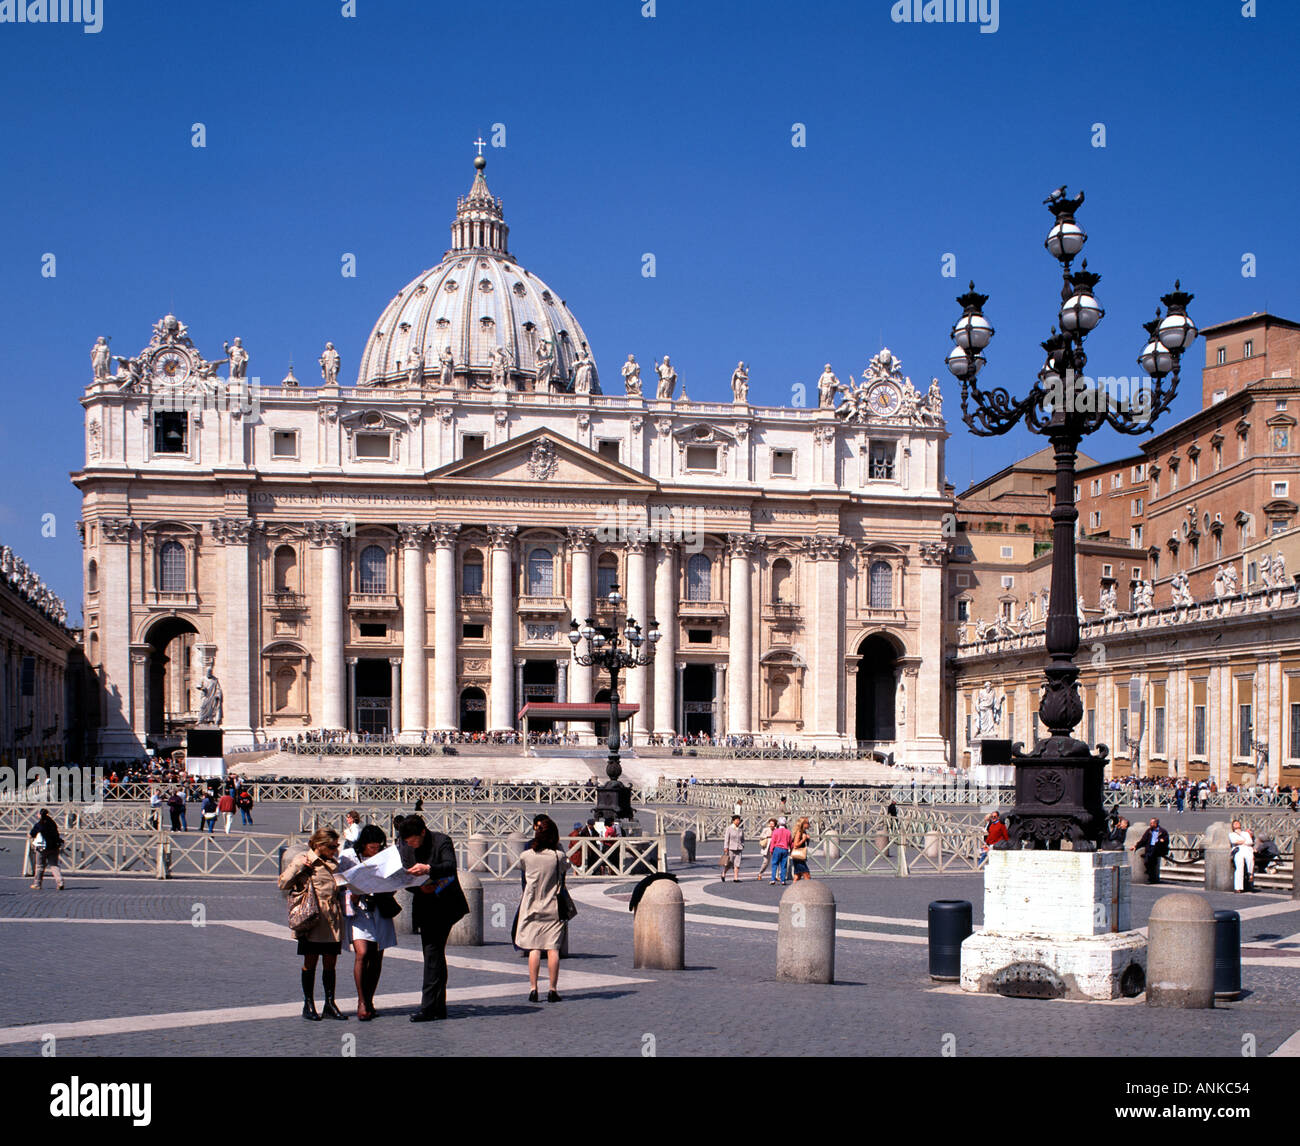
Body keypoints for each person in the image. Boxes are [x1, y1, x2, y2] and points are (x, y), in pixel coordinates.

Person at [398, 814, 469, 1022]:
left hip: (445, 905)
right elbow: (406, 876)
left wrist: (429, 870)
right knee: (434, 954)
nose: (410, 845)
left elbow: (449, 867)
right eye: (407, 842)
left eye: (412, 840)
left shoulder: (442, 840)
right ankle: (438, 1006)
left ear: (422, 832)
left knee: (432, 952)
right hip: (423, 903)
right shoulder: (405, 846)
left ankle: (429, 1008)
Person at [278, 827, 347, 1021]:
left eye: (337, 845)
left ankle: (330, 1003)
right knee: (310, 962)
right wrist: (300, 870)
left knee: (330, 963)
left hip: (332, 919)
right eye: (332, 846)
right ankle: (308, 1004)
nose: (335, 849)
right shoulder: (303, 860)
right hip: (312, 919)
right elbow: (282, 883)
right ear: (319, 845)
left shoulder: (333, 862)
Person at [337, 825, 398, 1020]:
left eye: (379, 847)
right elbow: (337, 883)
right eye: (373, 848)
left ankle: (370, 999)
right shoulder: (347, 857)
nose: (376, 851)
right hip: (358, 911)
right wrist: (351, 896)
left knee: (377, 956)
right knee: (362, 953)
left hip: (379, 908)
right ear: (363, 845)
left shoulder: (384, 857)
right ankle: (361, 1001)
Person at [516, 815, 570, 1002]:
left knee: (534, 949)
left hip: (531, 906)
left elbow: (522, 868)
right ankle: (553, 989)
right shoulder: (558, 856)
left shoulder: (526, 856)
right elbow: (566, 868)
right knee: (552, 949)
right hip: (552, 907)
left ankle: (533, 988)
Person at [29, 808, 65, 891]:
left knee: (40, 866)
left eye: (37, 814)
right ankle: (60, 882)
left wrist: (30, 836)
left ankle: (37, 884)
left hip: (42, 848)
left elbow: (32, 834)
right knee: (54, 865)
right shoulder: (52, 823)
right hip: (54, 847)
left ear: (40, 815)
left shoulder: (39, 824)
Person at [1132, 818, 1170, 884]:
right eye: (1150, 823)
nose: (1150, 824)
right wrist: (1136, 846)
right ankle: (1151, 877)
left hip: (1157, 849)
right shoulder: (1149, 831)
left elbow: (1166, 840)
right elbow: (1143, 840)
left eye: (1152, 823)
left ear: (1156, 823)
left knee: (1150, 861)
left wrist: (1163, 840)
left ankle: (1151, 878)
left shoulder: (1162, 831)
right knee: (1149, 862)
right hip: (1149, 848)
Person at [1228, 820, 1255, 893]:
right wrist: (1244, 841)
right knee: (1239, 866)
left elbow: (1250, 842)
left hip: (1247, 849)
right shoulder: (1231, 834)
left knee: (1250, 859)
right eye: (1235, 824)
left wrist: (1241, 841)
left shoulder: (1245, 833)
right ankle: (1238, 887)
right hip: (1238, 850)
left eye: (1237, 823)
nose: (1236, 824)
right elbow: (1234, 841)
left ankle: (1250, 873)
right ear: (1233, 826)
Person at [768, 817, 793, 885]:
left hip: (777, 848)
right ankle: (782, 880)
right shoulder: (788, 832)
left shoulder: (775, 831)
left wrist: (771, 849)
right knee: (783, 865)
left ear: (778, 823)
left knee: (774, 864)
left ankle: (773, 879)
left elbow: (773, 841)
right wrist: (791, 849)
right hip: (785, 849)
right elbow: (790, 842)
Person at [721, 815, 745, 882]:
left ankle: (735, 878)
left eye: (739, 820)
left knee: (737, 863)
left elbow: (742, 838)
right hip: (731, 848)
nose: (738, 821)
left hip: (739, 848)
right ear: (733, 821)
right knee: (729, 863)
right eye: (736, 820)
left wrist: (742, 845)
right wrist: (725, 847)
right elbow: (726, 838)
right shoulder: (729, 828)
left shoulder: (741, 829)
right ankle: (723, 873)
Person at [790, 816, 812, 881]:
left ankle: (793, 890)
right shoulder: (799, 832)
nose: (809, 825)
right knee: (807, 875)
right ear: (803, 824)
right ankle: (809, 890)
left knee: (797, 876)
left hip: (798, 857)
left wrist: (807, 838)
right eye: (808, 823)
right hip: (799, 857)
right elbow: (795, 845)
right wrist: (803, 839)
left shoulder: (803, 832)